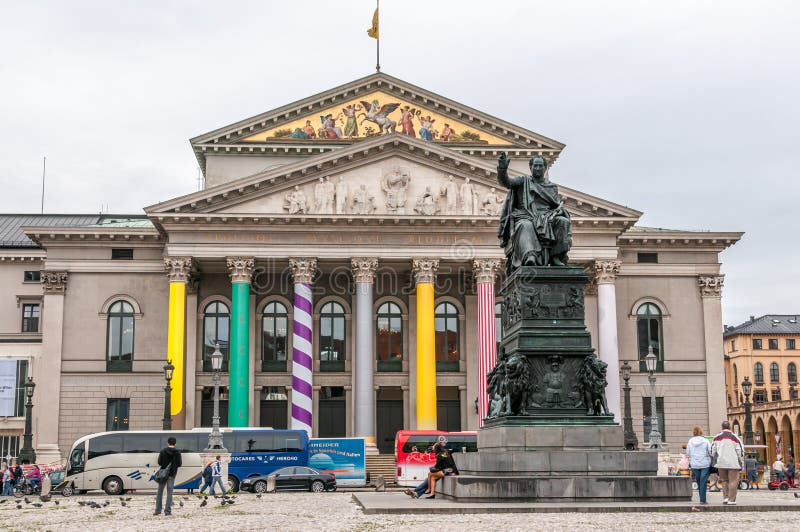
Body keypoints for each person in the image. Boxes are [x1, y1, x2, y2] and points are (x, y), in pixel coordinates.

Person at [711, 420, 744, 505]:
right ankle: (731, 500)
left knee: (724, 480)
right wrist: (741, 460)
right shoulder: (735, 437)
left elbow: (712, 450)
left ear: (722, 427)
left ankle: (725, 497)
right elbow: (740, 450)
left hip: (721, 462)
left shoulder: (717, 437)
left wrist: (714, 457)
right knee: (733, 481)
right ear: (730, 427)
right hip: (733, 463)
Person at [154, 436, 182, 516]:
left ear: (168, 443)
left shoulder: (163, 451)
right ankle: (167, 511)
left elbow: (159, 462)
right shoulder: (177, 452)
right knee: (170, 493)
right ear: (175, 443)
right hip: (172, 474)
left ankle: (158, 510)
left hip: (163, 474)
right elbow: (179, 464)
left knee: (160, 492)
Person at [686, 426, 712, 504]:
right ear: (701, 432)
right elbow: (710, 452)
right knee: (703, 481)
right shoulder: (706, 441)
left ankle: (702, 498)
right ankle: (702, 500)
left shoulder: (690, 441)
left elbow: (688, 453)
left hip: (694, 464)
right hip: (705, 464)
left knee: (699, 481)